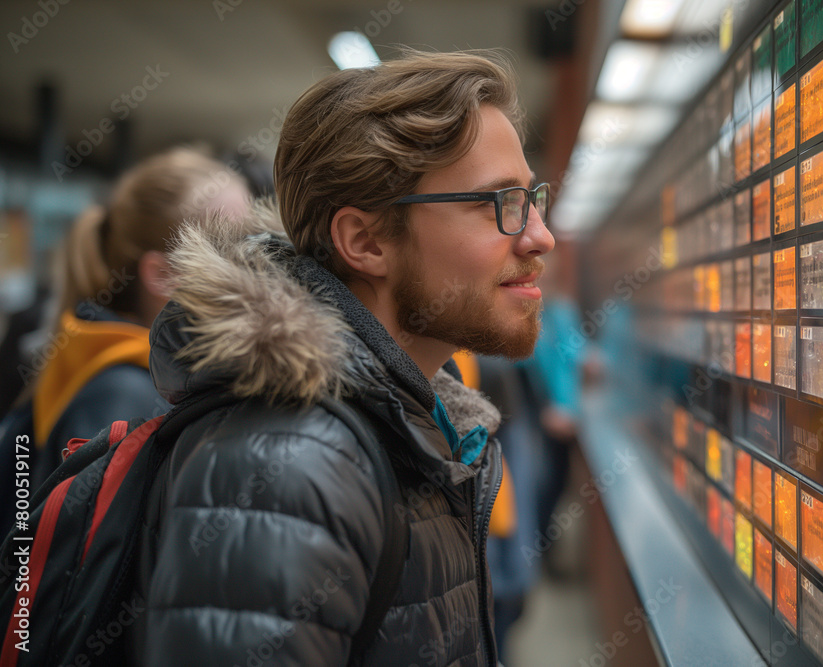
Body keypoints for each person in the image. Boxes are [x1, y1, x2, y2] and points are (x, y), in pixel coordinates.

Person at [132, 50, 555, 665]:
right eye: (498, 204)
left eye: (532, 197)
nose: (540, 235)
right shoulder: (290, 467)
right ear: (363, 241)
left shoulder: (415, 423)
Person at [14, 148, 250, 485]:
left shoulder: (123, 369)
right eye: (231, 248)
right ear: (162, 275)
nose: (260, 263)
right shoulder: (125, 394)